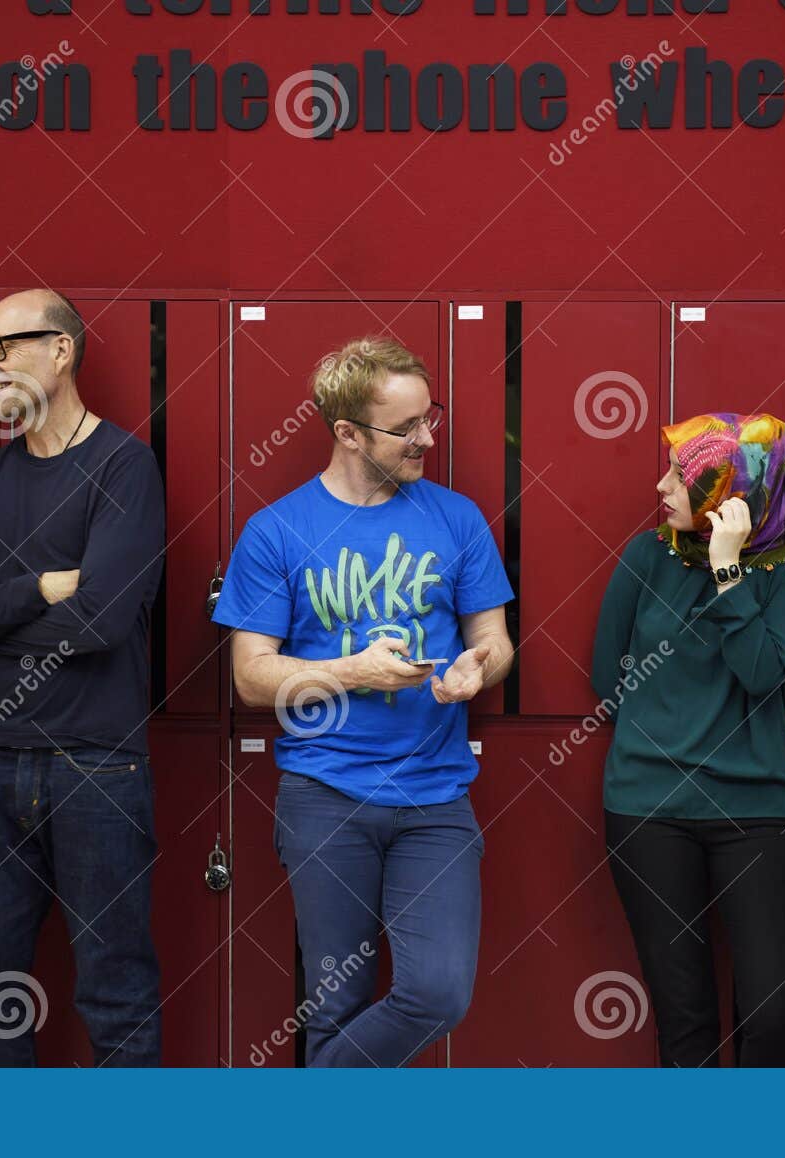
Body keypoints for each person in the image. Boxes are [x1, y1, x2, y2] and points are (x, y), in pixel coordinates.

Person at [212, 336, 515, 1067]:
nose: (428, 439)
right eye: (406, 428)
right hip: (324, 794)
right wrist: (352, 672)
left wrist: (479, 670)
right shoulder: (277, 530)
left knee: (439, 992)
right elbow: (250, 679)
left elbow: (495, 642)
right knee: (333, 1002)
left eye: (429, 418)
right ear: (346, 431)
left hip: (435, 798)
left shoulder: (457, 519)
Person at [0, 289, 165, 1066]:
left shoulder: (125, 465)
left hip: (97, 767)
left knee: (115, 991)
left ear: (61, 350)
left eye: (3, 347)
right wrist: (41, 588)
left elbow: (101, 622)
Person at [592, 412, 785, 1067]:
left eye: (684, 476)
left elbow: (760, 673)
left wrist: (727, 572)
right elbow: (604, 674)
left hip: (756, 809)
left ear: (736, 492)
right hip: (647, 807)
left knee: (778, 1015)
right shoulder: (646, 556)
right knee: (685, 1019)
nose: (662, 485)